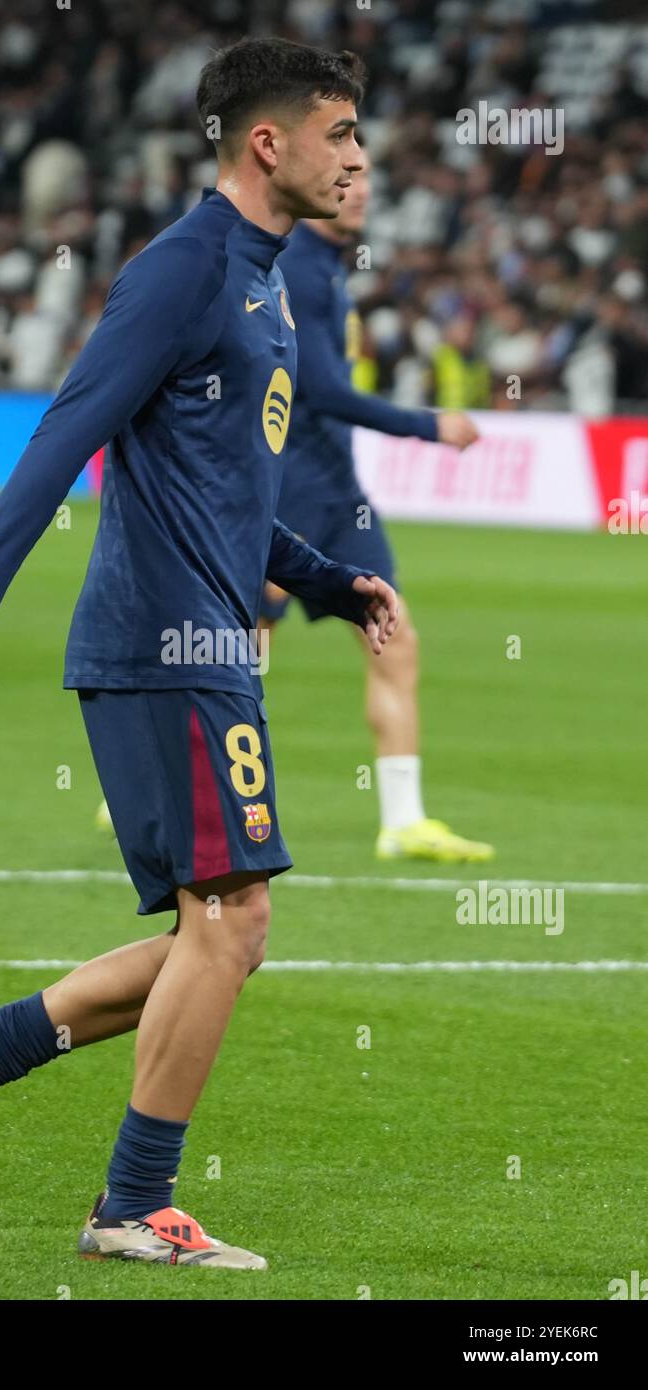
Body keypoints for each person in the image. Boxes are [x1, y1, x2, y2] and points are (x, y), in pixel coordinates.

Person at [0, 38, 398, 1271]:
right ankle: (132, 1203)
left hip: (208, 640)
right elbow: (68, 431)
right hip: (165, 644)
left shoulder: (266, 284)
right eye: (341, 133)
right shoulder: (181, 271)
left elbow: (222, 491)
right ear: (266, 143)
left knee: (219, 933)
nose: (359, 158)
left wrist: (321, 580)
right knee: (229, 922)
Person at [258, 143, 493, 863]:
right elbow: (320, 390)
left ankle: (402, 820)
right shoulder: (297, 263)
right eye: (345, 179)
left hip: (334, 490)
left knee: (392, 635)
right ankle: (160, 787)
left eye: (363, 182)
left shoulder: (325, 268)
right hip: (288, 483)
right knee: (237, 648)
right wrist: (429, 426)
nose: (356, 193)